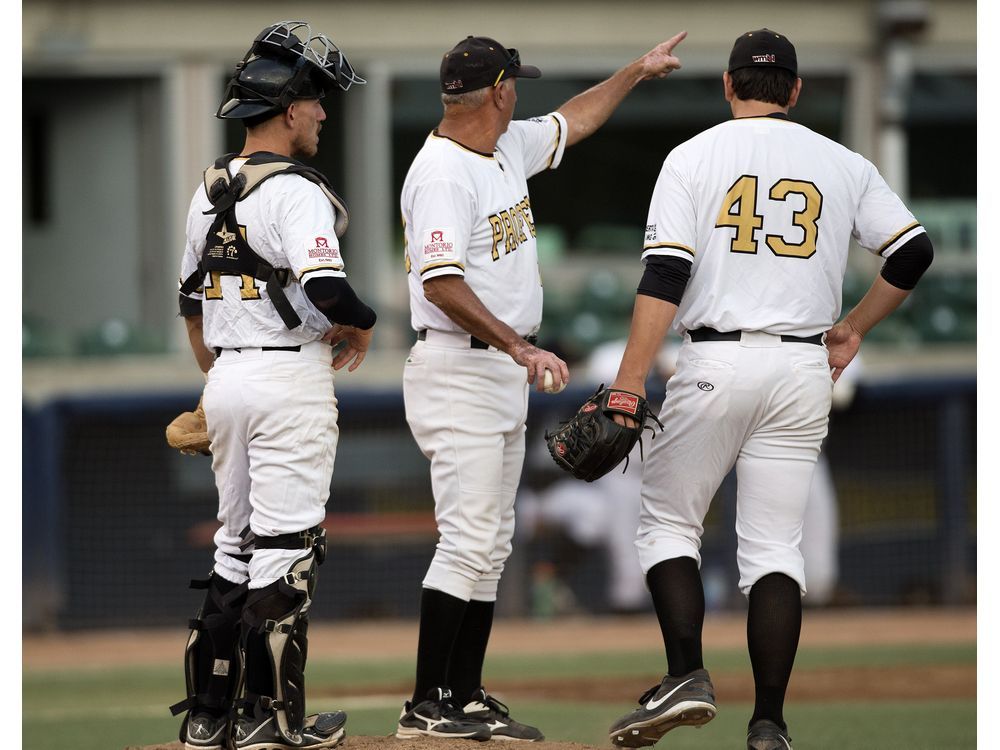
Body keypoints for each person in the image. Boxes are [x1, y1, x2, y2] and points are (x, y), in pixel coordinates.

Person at [604, 29, 933, 750]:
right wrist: (854, 329)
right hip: (802, 367)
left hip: (716, 359)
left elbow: (665, 275)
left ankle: (686, 672)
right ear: (795, 90)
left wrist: (629, 380)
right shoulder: (842, 162)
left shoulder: (693, 156)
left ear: (728, 86)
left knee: (667, 525)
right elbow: (913, 250)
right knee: (776, 550)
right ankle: (770, 724)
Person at [398, 32, 687, 741]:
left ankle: (463, 694)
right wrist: (519, 345)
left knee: (493, 542)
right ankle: (424, 704)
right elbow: (439, 283)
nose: (519, 92)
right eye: (513, 82)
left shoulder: (504, 146)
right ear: (496, 90)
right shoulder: (443, 172)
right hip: (459, 364)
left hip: (495, 369)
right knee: (467, 538)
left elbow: (574, 120)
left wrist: (636, 72)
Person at [168, 21, 375, 750]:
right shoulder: (297, 192)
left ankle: (207, 716)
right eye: (314, 102)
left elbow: (191, 304)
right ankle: (272, 720)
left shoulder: (207, 189)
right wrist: (365, 323)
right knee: (287, 548)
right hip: (287, 377)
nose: (321, 113)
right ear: (288, 110)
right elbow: (328, 287)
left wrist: (216, 384)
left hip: (226, 372)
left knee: (234, 546)